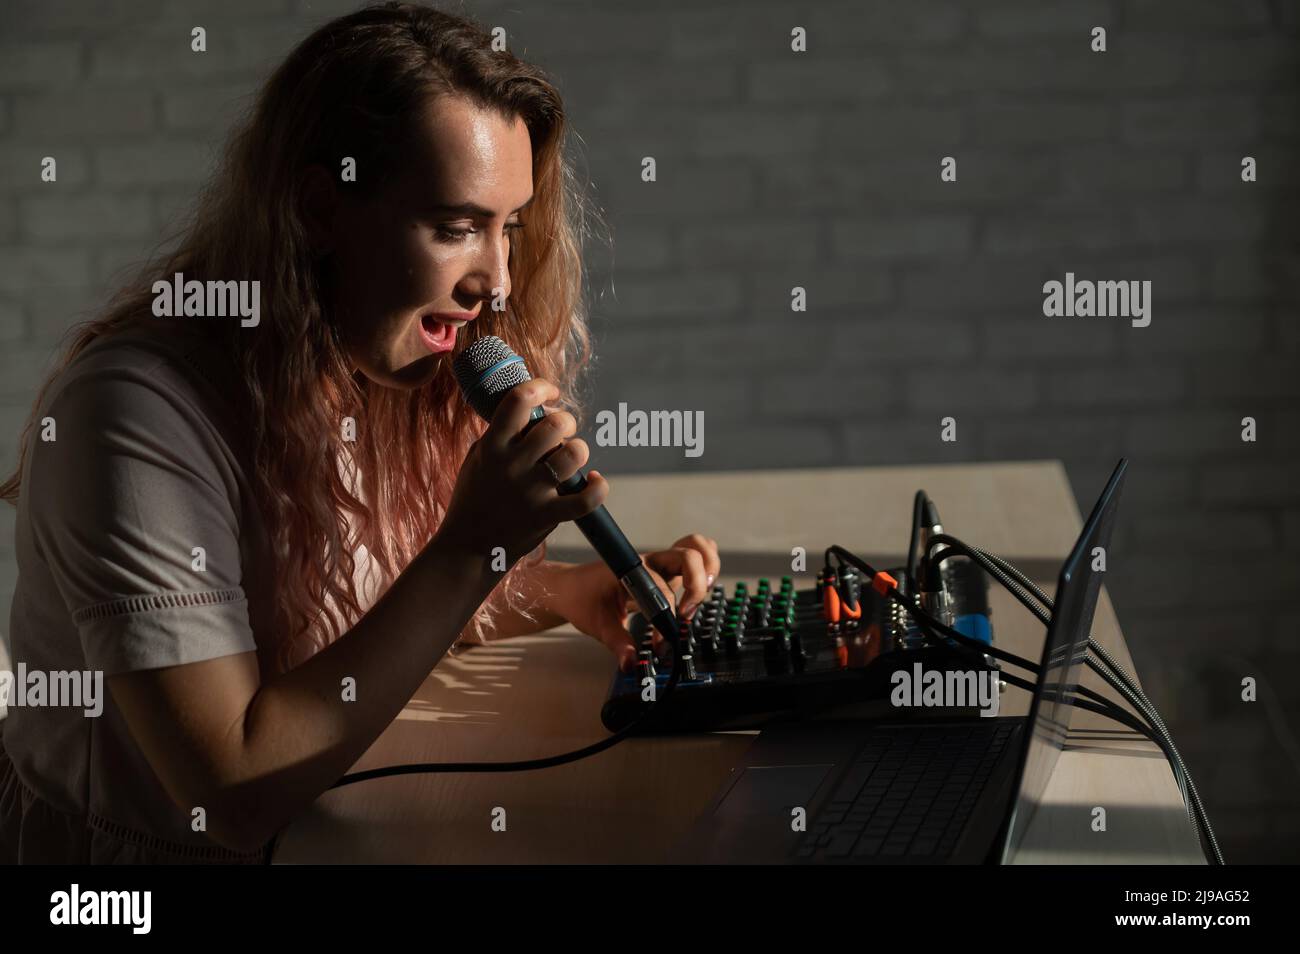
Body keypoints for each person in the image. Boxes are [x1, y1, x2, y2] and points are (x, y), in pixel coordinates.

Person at [0, 2, 719, 863]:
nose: (494, 281)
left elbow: (358, 614)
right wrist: (468, 548)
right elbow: (230, 789)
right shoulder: (133, 412)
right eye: (456, 228)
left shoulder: (373, 371)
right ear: (317, 209)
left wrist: (571, 595)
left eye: (511, 228)